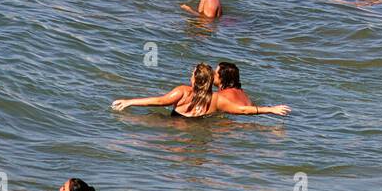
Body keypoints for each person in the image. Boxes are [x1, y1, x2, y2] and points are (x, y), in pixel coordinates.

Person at [111, 63, 290, 117]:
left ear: (194, 78)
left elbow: (159, 101)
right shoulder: (217, 100)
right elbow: (243, 110)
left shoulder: (183, 91)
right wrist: (271, 109)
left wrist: (129, 101)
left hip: (175, 127)